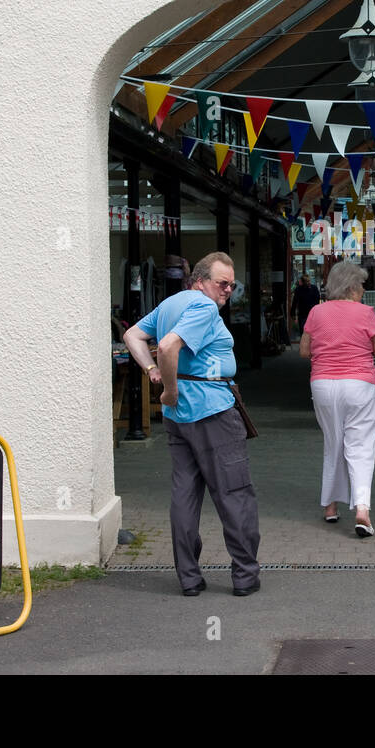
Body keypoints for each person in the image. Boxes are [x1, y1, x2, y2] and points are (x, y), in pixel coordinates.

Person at [124, 251, 261, 597]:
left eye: (232, 284)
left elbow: (132, 337)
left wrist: (150, 371)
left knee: (185, 496)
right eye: (221, 283)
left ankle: (188, 577)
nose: (228, 289)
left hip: (179, 419)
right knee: (234, 493)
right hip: (212, 412)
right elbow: (169, 345)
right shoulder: (203, 307)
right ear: (200, 281)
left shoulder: (171, 305)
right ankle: (245, 575)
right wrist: (167, 389)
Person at [300, 261, 375, 537]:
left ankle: (330, 505)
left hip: (324, 385)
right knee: (360, 447)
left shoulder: (316, 312)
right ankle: (362, 510)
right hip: (359, 385)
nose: (363, 290)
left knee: (333, 442)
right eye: (361, 285)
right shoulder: (366, 313)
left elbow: (304, 351)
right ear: (351, 287)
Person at [291, 275, 321, 339]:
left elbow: (295, 302)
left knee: (304, 333)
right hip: (313, 314)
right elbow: (317, 301)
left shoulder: (298, 289)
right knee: (313, 334)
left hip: (303, 314)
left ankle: (304, 347)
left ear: (302, 282)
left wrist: (292, 313)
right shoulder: (314, 288)